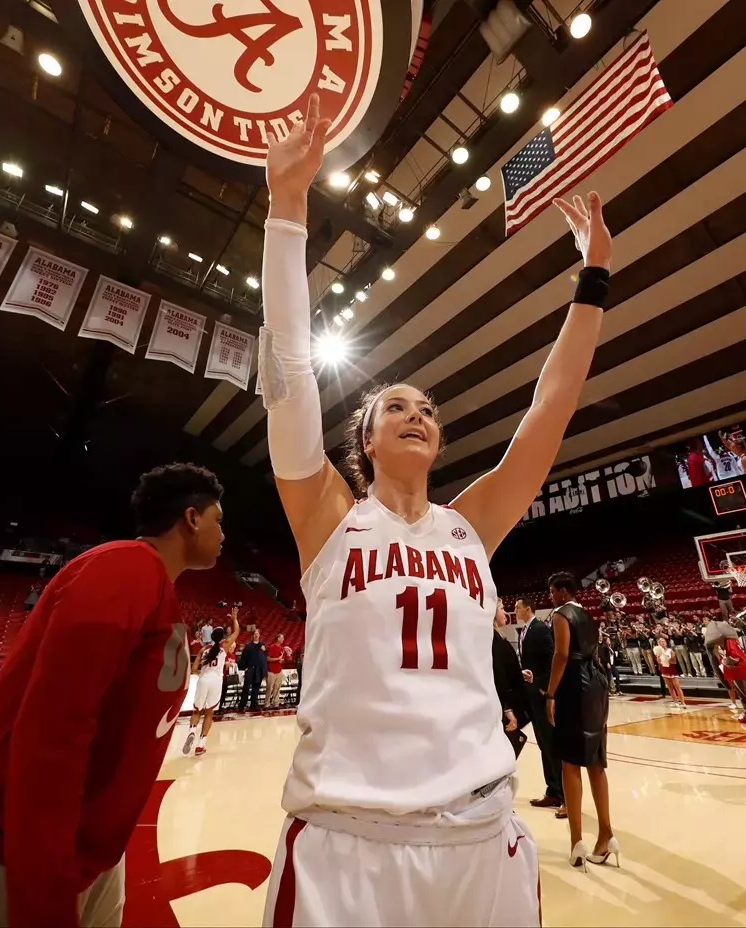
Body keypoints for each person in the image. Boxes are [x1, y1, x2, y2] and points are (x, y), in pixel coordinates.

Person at [258, 93, 610, 925]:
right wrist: (287, 209)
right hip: (349, 842)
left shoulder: (468, 527)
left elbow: (551, 406)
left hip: (482, 837)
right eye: (396, 407)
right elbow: (288, 373)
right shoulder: (328, 518)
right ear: (366, 440)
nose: (417, 414)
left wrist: (593, 278)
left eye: (428, 409)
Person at [0, 464, 224, 927]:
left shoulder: (154, 586)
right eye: (219, 520)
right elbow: (54, 731)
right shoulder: (124, 567)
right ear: (192, 518)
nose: (223, 534)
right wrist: (45, 888)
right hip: (2, 849)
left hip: (75, 850)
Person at [545, 573, 616, 869]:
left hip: (574, 685)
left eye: (552, 591)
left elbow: (562, 654)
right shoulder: (587, 615)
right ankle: (606, 833)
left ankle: (577, 841)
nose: (550, 596)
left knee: (570, 762)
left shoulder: (561, 614)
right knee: (596, 761)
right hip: (596, 684)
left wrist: (550, 693)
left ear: (563, 592)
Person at [518, 598, 565, 811]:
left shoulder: (540, 629)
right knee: (544, 744)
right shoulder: (524, 630)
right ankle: (552, 791)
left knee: (552, 745)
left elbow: (552, 660)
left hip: (542, 694)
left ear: (528, 608)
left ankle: (564, 794)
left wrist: (544, 688)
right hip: (532, 696)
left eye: (518, 607)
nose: (514, 610)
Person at [182, 611, 241, 756]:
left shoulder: (204, 649)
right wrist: (234, 619)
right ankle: (200, 745)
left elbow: (194, 669)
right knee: (209, 713)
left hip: (204, 680)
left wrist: (202, 672)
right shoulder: (225, 646)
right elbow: (237, 632)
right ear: (222, 637)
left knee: (197, 711)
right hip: (216, 681)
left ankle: (192, 730)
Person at [491, 601, 531, 758]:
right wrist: (508, 709)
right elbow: (498, 675)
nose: (506, 613)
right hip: (504, 706)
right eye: (502, 609)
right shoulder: (493, 639)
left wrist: (519, 674)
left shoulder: (498, 636)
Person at [238, 628, 268, 711]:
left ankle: (254, 705)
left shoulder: (262, 645)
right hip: (250, 669)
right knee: (246, 688)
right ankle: (242, 705)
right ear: (253, 635)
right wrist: (245, 668)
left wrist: (265, 650)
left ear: (259, 635)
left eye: (257, 633)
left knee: (256, 688)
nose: (256, 635)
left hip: (259, 669)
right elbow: (243, 658)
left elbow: (265, 657)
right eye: (255, 634)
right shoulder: (249, 645)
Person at [653, 636, 685, 705]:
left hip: (672, 670)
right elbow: (659, 662)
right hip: (664, 670)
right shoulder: (658, 652)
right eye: (660, 642)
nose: (662, 643)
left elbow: (674, 661)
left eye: (663, 641)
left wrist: (667, 660)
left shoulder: (670, 651)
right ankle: (675, 701)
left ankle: (683, 702)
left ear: (666, 643)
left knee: (677, 686)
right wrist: (659, 659)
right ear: (658, 644)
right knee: (670, 687)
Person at [265, 633, 290, 708]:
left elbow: (282, 659)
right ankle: (267, 704)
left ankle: (276, 704)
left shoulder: (282, 648)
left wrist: (282, 661)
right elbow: (267, 659)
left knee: (277, 688)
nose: (283, 639)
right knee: (269, 689)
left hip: (279, 670)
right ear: (278, 639)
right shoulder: (271, 647)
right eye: (282, 638)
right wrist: (277, 659)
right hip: (271, 671)